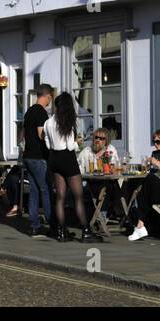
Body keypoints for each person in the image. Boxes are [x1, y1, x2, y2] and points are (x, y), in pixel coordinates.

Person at [45, 92, 97, 242]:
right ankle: (86, 231)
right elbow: (69, 146)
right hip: (67, 158)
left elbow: (48, 143)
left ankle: (61, 232)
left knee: (60, 197)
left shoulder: (48, 122)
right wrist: (78, 142)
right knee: (78, 196)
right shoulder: (67, 122)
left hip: (54, 158)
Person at [128, 129, 160, 241]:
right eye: (154, 142)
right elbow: (150, 171)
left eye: (158, 142)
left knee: (148, 182)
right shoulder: (154, 154)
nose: (155, 144)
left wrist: (158, 164)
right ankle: (140, 225)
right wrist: (147, 165)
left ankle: (140, 227)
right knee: (137, 184)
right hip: (153, 188)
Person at [21, 84, 54, 237]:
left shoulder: (28, 111)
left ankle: (34, 226)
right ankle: (52, 223)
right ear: (47, 96)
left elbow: (22, 135)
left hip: (28, 156)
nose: (50, 101)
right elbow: (41, 134)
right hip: (38, 157)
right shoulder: (41, 112)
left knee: (34, 191)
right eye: (50, 98)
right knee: (45, 190)